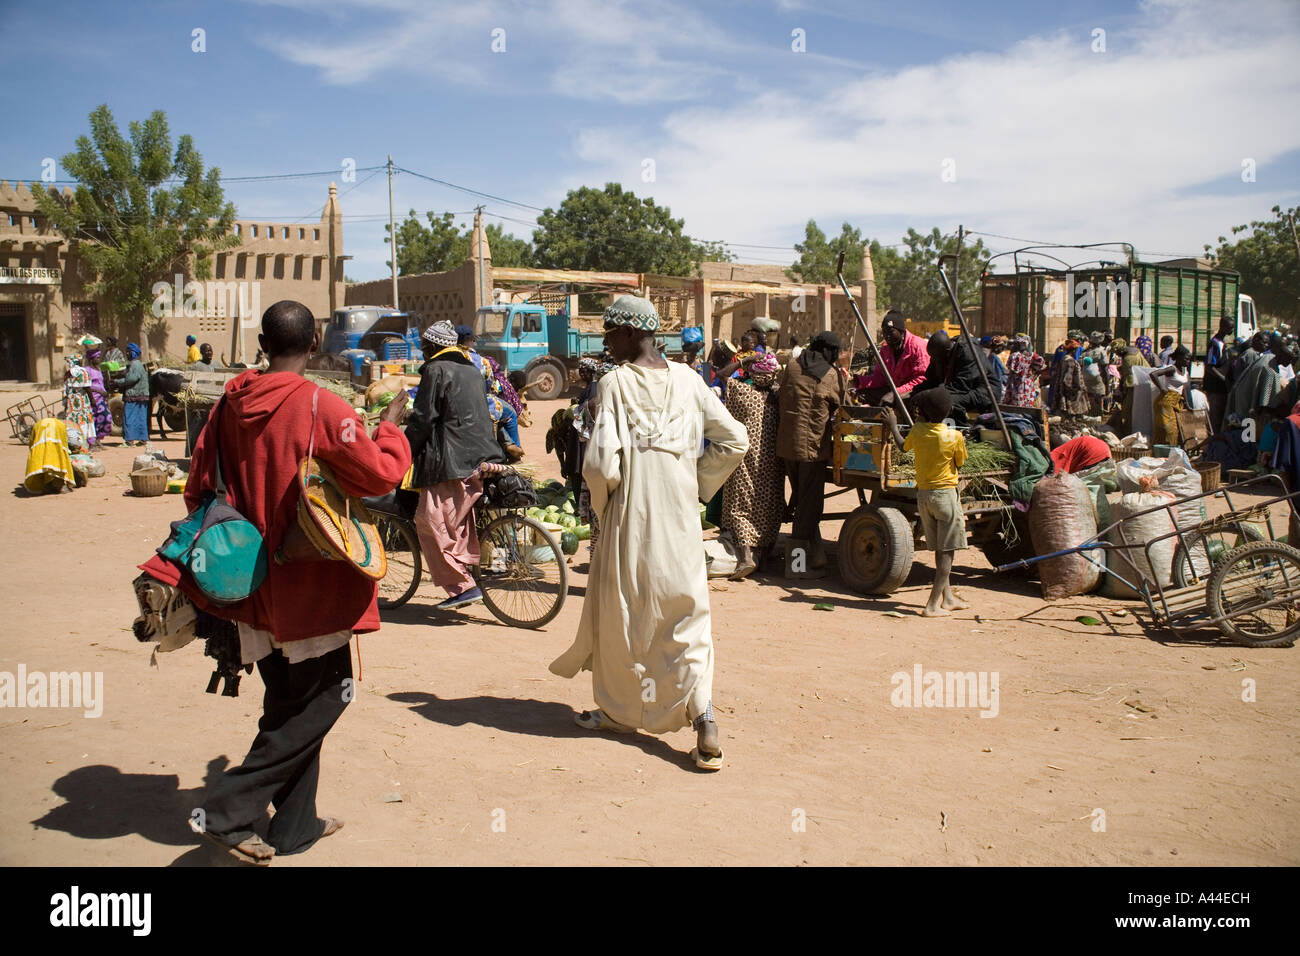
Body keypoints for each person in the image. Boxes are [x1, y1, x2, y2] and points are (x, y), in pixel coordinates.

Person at [163, 299, 411, 865]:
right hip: (308, 588)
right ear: (316, 341)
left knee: (286, 703)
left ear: (262, 341)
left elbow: (198, 484)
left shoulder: (229, 403)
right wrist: (391, 430)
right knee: (327, 698)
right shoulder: (320, 403)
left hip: (245, 580)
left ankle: (295, 825)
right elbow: (376, 473)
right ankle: (228, 808)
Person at [549, 295, 748, 771]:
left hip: (630, 521)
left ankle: (619, 711)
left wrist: (603, 505)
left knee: (624, 617)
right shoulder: (690, 380)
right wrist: (694, 483)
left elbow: (600, 464)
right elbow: (734, 440)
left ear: (633, 332)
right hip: (682, 526)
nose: (606, 342)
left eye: (611, 333)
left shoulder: (614, 384)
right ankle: (703, 717)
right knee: (687, 620)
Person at [405, 320, 507, 609]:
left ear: (433, 347)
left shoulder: (436, 370)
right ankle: (462, 571)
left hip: (450, 461)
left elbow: (424, 418)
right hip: (481, 456)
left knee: (428, 521)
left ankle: (462, 586)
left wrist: (403, 448)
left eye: (425, 346)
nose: (423, 352)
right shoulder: (471, 370)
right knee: (456, 522)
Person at [776, 330, 845, 574]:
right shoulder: (831, 374)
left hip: (786, 446)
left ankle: (816, 555)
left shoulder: (793, 366)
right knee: (810, 504)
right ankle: (796, 567)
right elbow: (842, 406)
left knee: (802, 498)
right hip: (813, 449)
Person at [897, 388, 969, 617]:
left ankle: (947, 598)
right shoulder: (954, 437)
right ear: (947, 412)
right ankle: (931, 605)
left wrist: (891, 424)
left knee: (939, 546)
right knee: (947, 552)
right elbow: (960, 463)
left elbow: (903, 446)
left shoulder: (918, 431)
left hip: (924, 496)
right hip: (945, 497)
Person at [721, 351, 784, 578]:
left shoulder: (743, 392)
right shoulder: (778, 398)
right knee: (768, 506)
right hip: (773, 462)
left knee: (740, 505)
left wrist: (743, 362)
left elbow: (722, 375)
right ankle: (764, 558)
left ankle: (747, 556)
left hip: (746, 459)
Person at [855, 310, 929, 406]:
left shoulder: (917, 346)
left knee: (894, 400)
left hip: (914, 392)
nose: (887, 336)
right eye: (884, 332)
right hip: (895, 391)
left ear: (901, 331)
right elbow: (881, 377)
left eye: (891, 332)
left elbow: (921, 380)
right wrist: (858, 380)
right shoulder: (885, 349)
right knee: (862, 394)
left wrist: (895, 393)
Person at [912, 330, 994, 417]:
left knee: (945, 402)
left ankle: (962, 428)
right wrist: (915, 392)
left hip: (983, 391)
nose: (935, 361)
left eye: (937, 359)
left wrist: (927, 394)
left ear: (947, 352)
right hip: (962, 389)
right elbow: (932, 380)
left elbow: (961, 385)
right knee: (928, 398)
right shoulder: (939, 354)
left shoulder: (968, 352)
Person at [1150, 346, 1192, 445]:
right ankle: (1161, 450)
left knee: (1176, 428)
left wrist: (1187, 403)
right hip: (1166, 402)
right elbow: (1153, 374)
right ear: (1178, 357)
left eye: (1189, 359)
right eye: (1186, 358)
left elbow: (1183, 388)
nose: (1188, 361)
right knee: (1167, 429)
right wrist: (1162, 388)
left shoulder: (1185, 372)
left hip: (1176, 401)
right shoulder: (1172, 369)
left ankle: (1171, 450)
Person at [24, 418, 77, 494]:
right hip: (56, 437)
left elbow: (32, 443)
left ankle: (47, 484)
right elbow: (66, 443)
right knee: (58, 463)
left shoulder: (38, 425)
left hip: (42, 436)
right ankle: (60, 485)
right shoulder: (64, 425)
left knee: (43, 464)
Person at [117, 343, 150, 446]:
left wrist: (118, 382)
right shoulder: (138, 364)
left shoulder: (135, 364)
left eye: (128, 351)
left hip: (134, 395)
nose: (127, 353)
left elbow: (132, 379)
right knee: (141, 417)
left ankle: (129, 440)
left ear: (133, 353)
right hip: (142, 395)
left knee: (129, 417)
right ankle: (143, 439)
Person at [62, 355, 98, 448]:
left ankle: (74, 443)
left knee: (73, 420)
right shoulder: (83, 372)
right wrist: (92, 400)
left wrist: (65, 403)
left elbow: (65, 389)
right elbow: (87, 388)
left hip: (71, 400)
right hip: (82, 399)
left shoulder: (67, 373)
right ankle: (86, 443)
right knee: (84, 419)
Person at [1001, 335, 1046, 407]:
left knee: (1015, 402)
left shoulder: (1015, 356)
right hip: (1027, 383)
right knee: (1025, 401)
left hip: (1016, 383)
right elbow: (1040, 363)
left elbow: (1011, 367)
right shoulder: (1030, 356)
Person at [83, 347, 113, 444]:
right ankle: (92, 441)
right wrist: (99, 391)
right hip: (92, 398)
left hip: (101, 399)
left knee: (106, 417)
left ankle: (98, 439)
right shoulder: (87, 370)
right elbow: (86, 386)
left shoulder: (99, 370)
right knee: (93, 419)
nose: (99, 359)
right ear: (92, 358)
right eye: (97, 357)